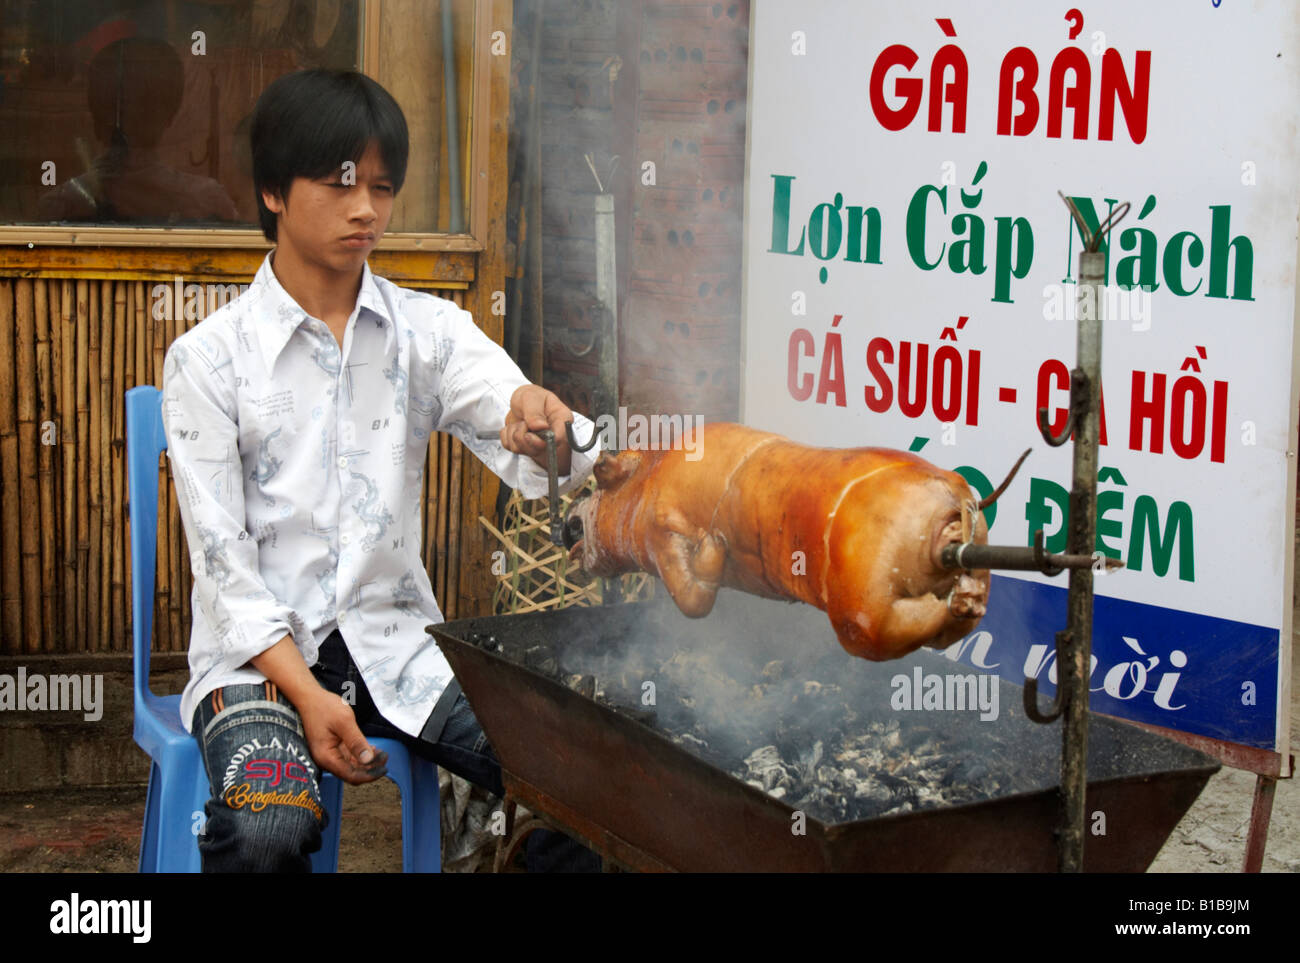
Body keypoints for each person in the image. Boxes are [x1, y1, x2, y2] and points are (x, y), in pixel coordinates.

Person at [161, 68, 600, 871]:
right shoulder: (209, 360)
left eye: (382, 186)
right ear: (271, 192)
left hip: (397, 644)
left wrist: (542, 422)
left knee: (588, 786)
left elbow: (508, 403)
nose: (366, 208)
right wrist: (307, 695)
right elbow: (225, 571)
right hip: (259, 664)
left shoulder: (426, 331)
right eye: (338, 183)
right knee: (267, 828)